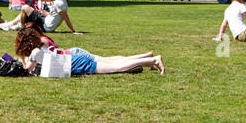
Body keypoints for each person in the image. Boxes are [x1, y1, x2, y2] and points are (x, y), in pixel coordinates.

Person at [15, 26, 163, 75]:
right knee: (113, 61)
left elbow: (27, 70)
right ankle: (148, 58)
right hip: (72, 59)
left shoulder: (35, 52)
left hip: (74, 61)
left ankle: (152, 60)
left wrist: (21, 58)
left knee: (115, 67)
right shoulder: (41, 45)